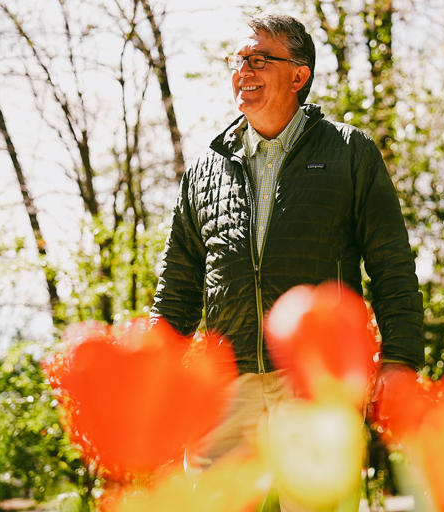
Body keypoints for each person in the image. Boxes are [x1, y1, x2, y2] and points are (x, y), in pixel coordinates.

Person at [150, 13, 424, 510]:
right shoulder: (204, 169)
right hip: (226, 385)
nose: (243, 71)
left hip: (314, 383)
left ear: (299, 74)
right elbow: (178, 285)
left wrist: (400, 357)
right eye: (238, 61)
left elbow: (391, 266)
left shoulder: (349, 151)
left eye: (259, 59)